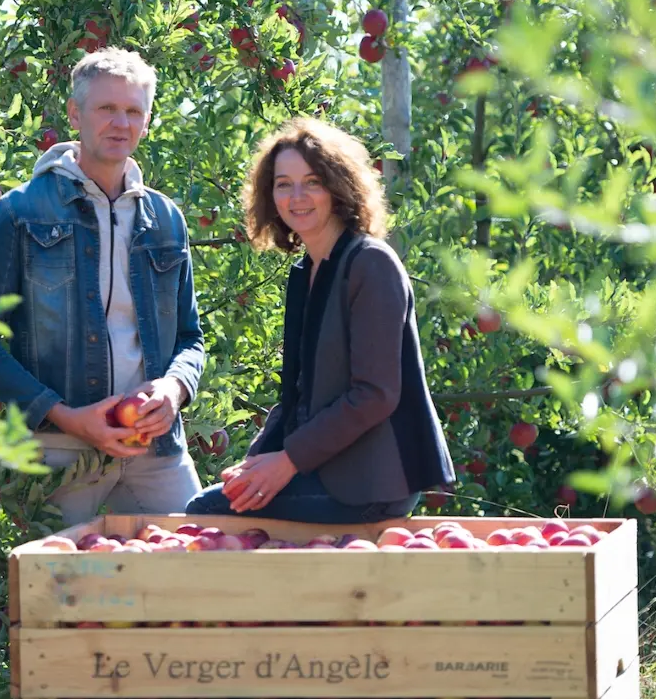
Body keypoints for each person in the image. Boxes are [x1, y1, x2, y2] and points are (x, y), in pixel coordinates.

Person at [0, 47, 204, 527]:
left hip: (154, 446)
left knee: (200, 569)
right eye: (106, 108)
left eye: (133, 111)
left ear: (147, 121)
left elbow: (190, 339)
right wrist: (66, 415)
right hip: (58, 451)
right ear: (75, 114)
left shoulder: (166, 219)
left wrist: (174, 389)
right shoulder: (21, 212)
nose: (120, 123)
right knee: (58, 591)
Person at [185, 117, 454, 524]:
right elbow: (298, 397)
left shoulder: (371, 264)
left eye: (312, 182)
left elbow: (376, 394)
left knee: (207, 511)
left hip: (372, 482)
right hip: (324, 471)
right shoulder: (307, 271)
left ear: (338, 186)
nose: (297, 196)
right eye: (283, 184)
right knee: (222, 497)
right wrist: (258, 462)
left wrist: (288, 462)